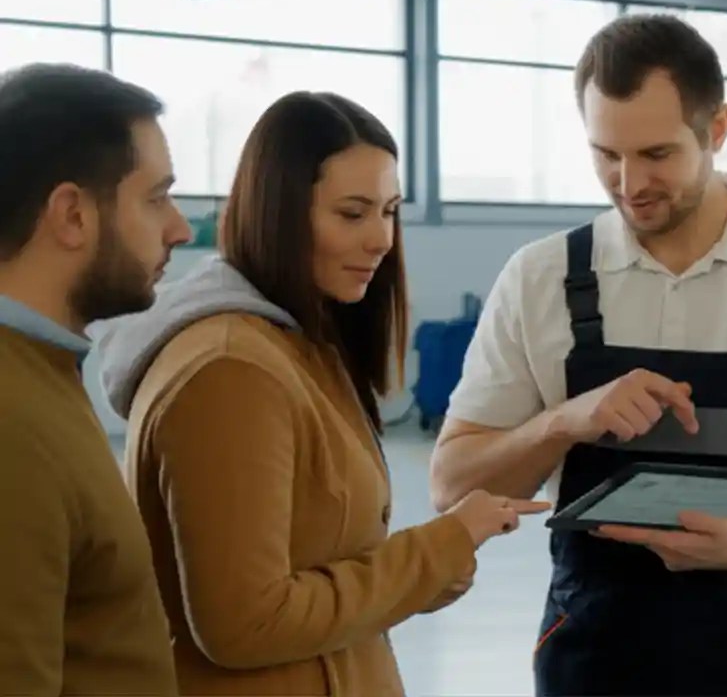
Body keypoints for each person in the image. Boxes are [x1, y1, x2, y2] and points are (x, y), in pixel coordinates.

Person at [429, 14, 727, 696]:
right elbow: (452, 488)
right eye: (606, 154)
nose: (629, 182)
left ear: (717, 128)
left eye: (656, 154)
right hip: (588, 657)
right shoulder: (540, 278)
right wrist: (563, 422)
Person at [93, 91, 549, 696]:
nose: (381, 239)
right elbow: (246, 623)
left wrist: (439, 561)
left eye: (389, 212)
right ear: (278, 213)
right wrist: (441, 547)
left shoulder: (296, 346)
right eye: (352, 214)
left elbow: (322, 562)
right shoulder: (231, 372)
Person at [0, 63, 190, 694]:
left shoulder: (42, 370)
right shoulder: (10, 422)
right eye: (156, 198)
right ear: (73, 215)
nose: (179, 228)